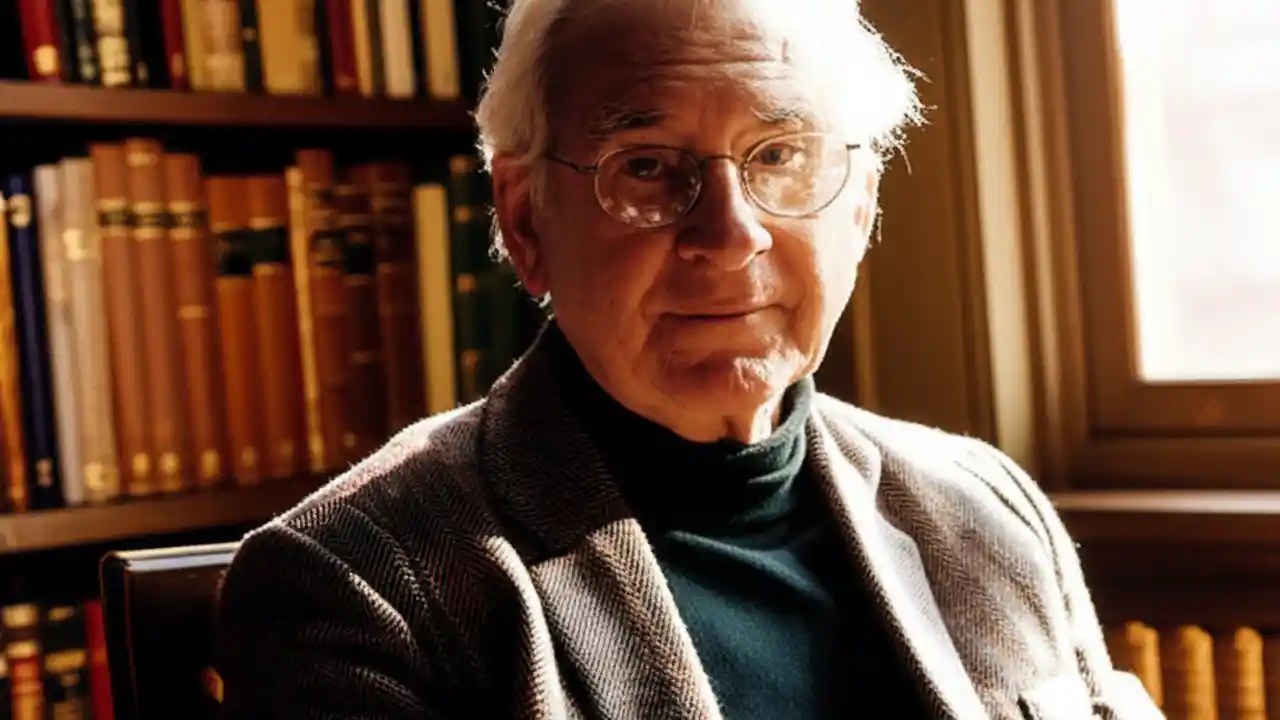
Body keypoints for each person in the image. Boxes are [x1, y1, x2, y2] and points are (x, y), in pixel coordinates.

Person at [216, 0, 1164, 717]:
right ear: (525, 219)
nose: (729, 233)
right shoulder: (363, 584)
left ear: (863, 207)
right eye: (646, 166)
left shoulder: (984, 505)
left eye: (780, 155)